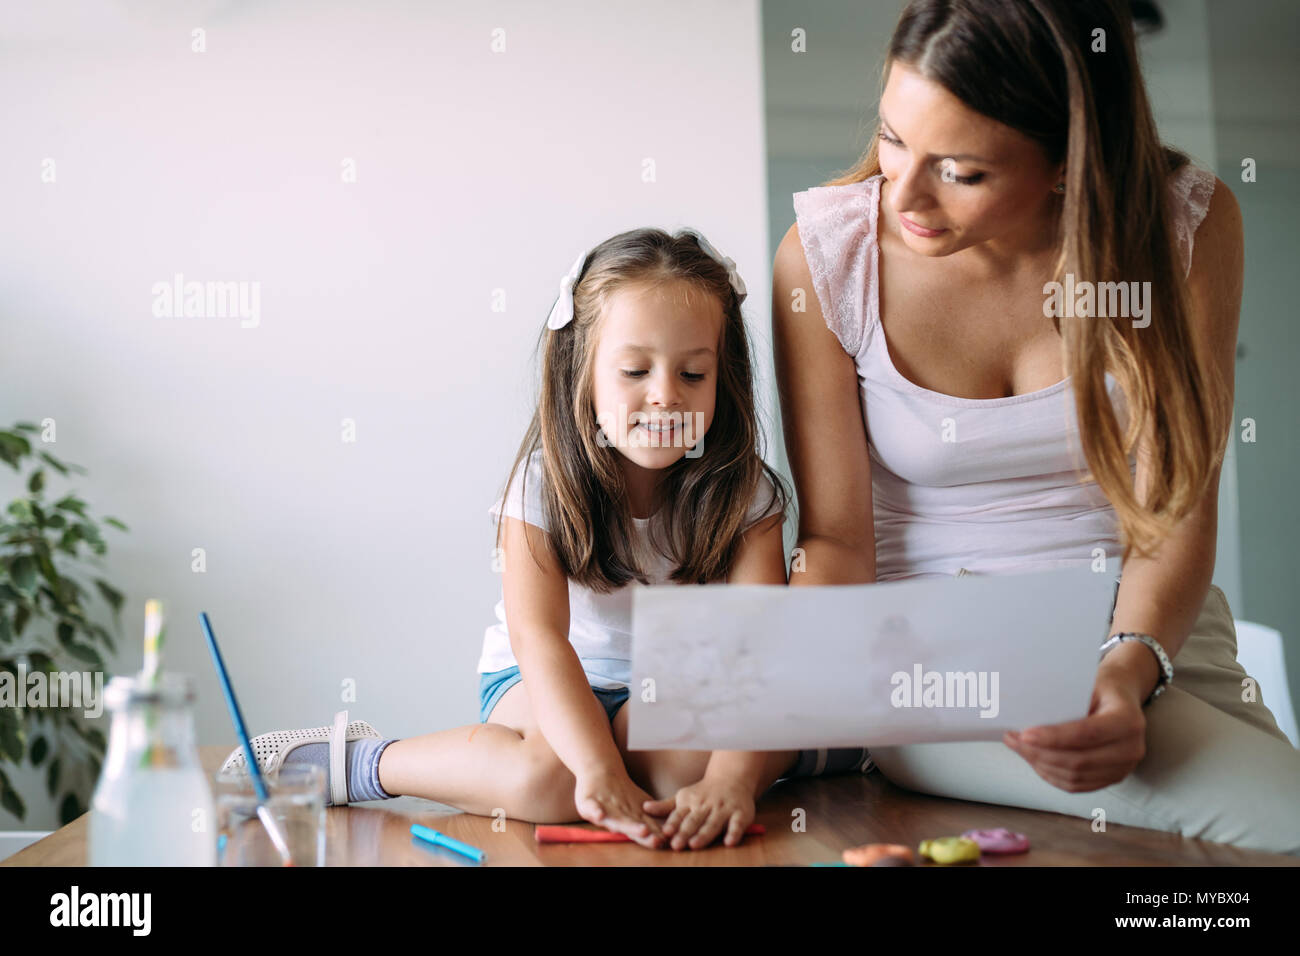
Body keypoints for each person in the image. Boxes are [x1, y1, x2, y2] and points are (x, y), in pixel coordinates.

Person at [772, 0, 1300, 854]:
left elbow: (1175, 518)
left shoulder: (1187, 232)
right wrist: (777, 695)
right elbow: (834, 542)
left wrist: (1128, 670)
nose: (900, 193)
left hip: (1158, 630)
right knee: (1279, 827)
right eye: (894, 138)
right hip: (946, 654)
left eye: (961, 170)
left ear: (1066, 163)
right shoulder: (829, 257)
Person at [222, 228, 866, 851]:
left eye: (693, 376)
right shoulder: (539, 488)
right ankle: (361, 763)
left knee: (681, 777)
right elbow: (540, 640)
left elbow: (752, 650)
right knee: (552, 782)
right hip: (543, 675)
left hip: (672, 684)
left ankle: (796, 751)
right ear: (582, 374)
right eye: (635, 370)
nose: (665, 396)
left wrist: (731, 781)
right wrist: (594, 768)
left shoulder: (744, 491)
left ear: (722, 380)